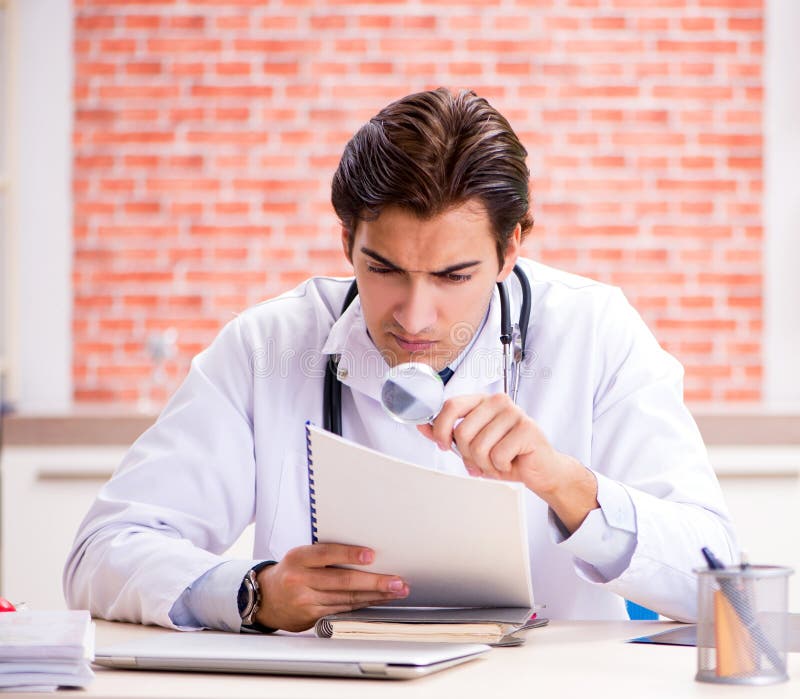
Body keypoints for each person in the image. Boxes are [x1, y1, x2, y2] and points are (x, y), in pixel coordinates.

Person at [64, 88, 736, 633]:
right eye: (383, 269)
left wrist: (568, 486)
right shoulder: (267, 347)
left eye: (453, 276)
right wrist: (254, 593)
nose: (414, 318)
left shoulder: (595, 332)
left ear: (510, 250)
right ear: (346, 241)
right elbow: (103, 550)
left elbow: (721, 584)